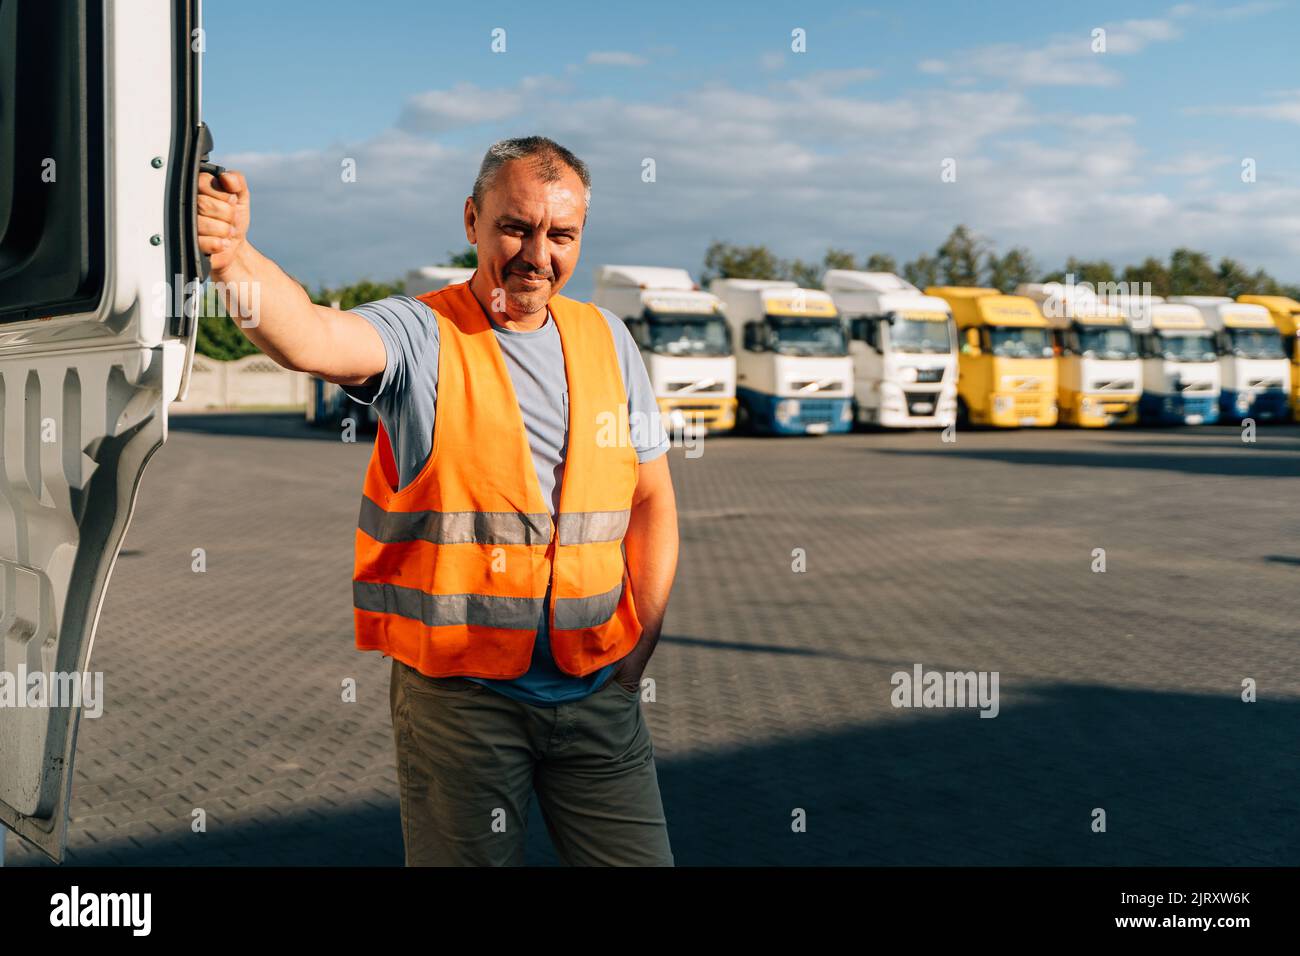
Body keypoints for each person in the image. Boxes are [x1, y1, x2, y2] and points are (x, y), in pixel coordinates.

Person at [197, 135, 679, 866]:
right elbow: (312, 337)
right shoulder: (424, 334)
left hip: (598, 697)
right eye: (515, 227)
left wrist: (638, 649)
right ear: (471, 220)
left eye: (562, 234)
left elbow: (652, 503)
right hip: (465, 706)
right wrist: (233, 258)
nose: (536, 254)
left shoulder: (608, 340)